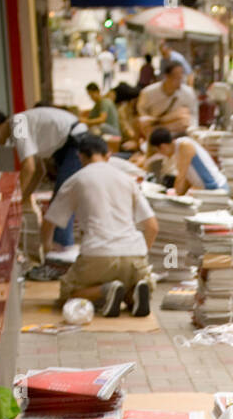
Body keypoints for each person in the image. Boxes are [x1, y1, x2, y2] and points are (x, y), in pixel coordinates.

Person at [41, 132, 158, 317]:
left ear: (81, 156)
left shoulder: (75, 180)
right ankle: (132, 291)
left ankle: (107, 290)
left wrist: (46, 250)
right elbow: (152, 226)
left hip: (97, 255)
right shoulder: (127, 180)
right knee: (128, 277)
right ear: (108, 155)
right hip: (134, 254)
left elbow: (49, 222)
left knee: (68, 295)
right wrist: (142, 254)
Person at [0, 104, 87, 246]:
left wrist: (13, 202)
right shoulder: (22, 122)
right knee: (63, 199)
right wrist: (22, 200)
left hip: (74, 141)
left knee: (61, 201)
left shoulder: (17, 124)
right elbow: (39, 171)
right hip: (72, 139)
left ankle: (61, 250)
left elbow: (29, 168)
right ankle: (60, 247)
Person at [146, 127, 228, 194]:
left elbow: (181, 176)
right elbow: (186, 180)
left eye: (159, 151)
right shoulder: (177, 151)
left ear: (163, 146)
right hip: (209, 191)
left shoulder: (184, 146)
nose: (162, 154)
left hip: (217, 189)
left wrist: (175, 196)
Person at [137, 61, 194, 138]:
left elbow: (193, 115)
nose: (180, 78)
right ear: (167, 76)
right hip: (155, 129)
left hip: (179, 130)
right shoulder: (148, 92)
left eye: (181, 75)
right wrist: (157, 121)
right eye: (176, 76)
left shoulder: (188, 92)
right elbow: (141, 111)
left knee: (183, 115)